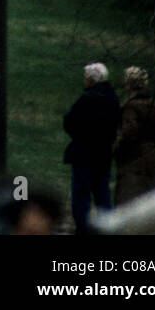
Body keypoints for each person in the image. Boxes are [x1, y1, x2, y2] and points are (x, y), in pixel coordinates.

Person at [62, 61, 121, 234]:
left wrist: (79, 135)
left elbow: (69, 121)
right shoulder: (112, 98)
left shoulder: (87, 99)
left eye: (86, 77)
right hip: (103, 154)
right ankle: (108, 227)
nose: (84, 80)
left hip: (84, 154)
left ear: (92, 79)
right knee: (103, 193)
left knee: (81, 195)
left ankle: (83, 228)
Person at [113, 66, 155, 206]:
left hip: (133, 159)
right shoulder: (154, 105)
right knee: (149, 196)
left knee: (128, 198)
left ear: (129, 84)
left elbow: (129, 131)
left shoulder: (131, 107)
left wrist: (118, 149)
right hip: (151, 155)